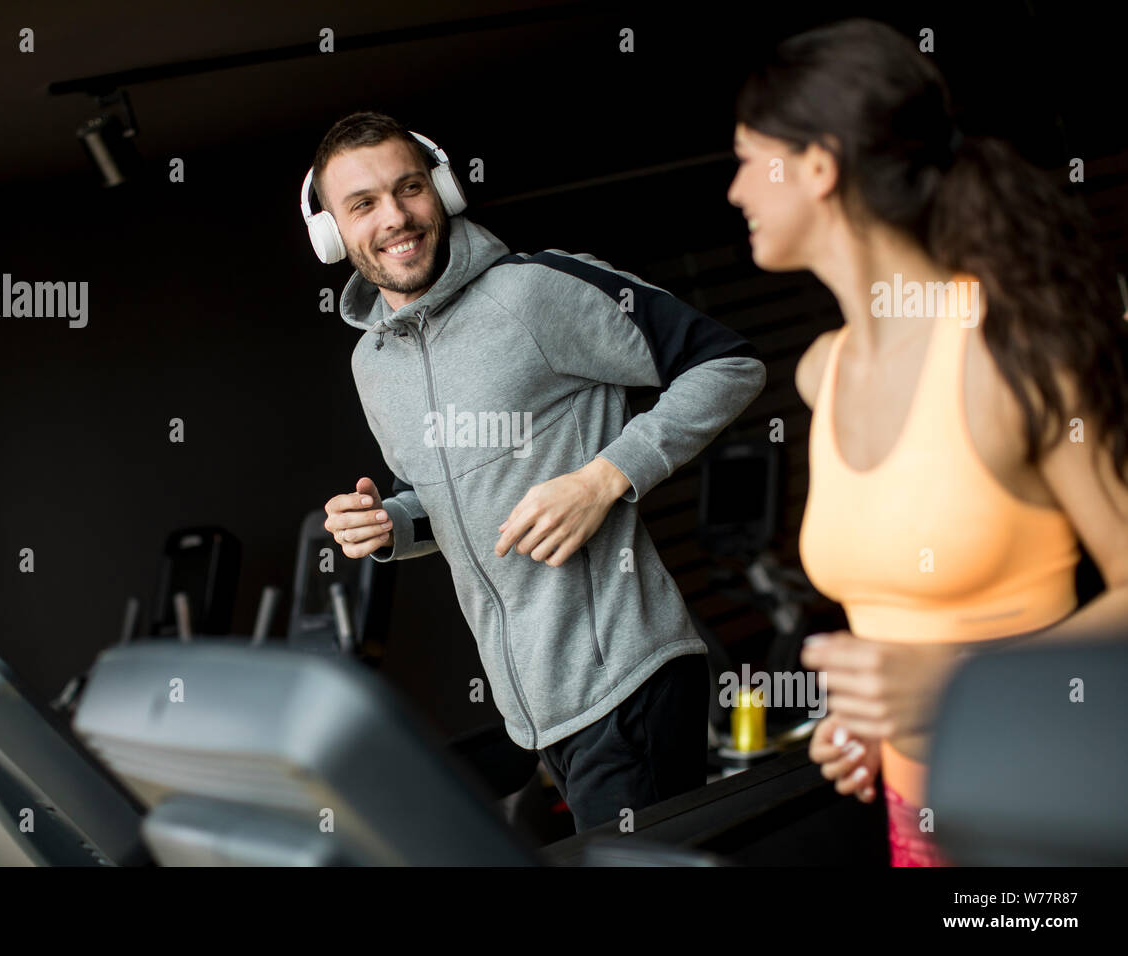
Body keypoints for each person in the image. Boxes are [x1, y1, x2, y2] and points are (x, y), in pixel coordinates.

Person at [726, 19, 1128, 865]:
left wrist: (958, 684)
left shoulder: (1005, 349)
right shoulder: (819, 374)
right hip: (920, 822)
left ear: (818, 167)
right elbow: (901, 632)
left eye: (746, 160)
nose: (735, 192)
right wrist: (868, 716)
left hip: (1058, 814)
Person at [309, 111, 766, 832]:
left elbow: (728, 363)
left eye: (410, 188)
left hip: (627, 676)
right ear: (332, 234)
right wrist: (389, 524)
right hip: (537, 713)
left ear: (444, 192)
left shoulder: (532, 292)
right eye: (363, 204)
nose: (396, 217)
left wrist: (603, 477)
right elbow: (450, 501)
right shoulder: (372, 366)